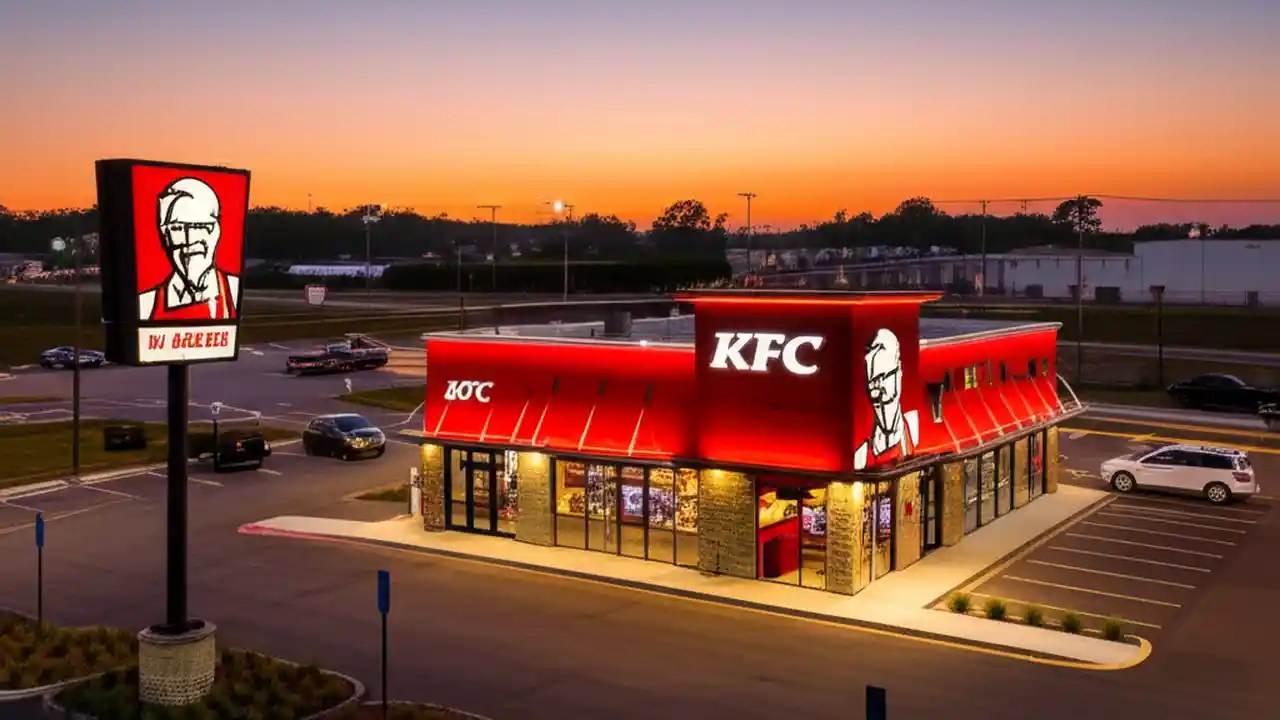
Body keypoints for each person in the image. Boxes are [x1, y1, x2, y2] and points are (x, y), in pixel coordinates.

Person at [138, 177, 239, 321]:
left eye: (199, 226)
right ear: (164, 236)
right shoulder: (145, 306)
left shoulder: (234, 291)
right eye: (177, 228)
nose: (189, 239)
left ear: (217, 231)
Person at [854, 327, 920, 471]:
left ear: (898, 373)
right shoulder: (861, 455)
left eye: (882, 377)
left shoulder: (914, 429)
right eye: (872, 383)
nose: (876, 392)